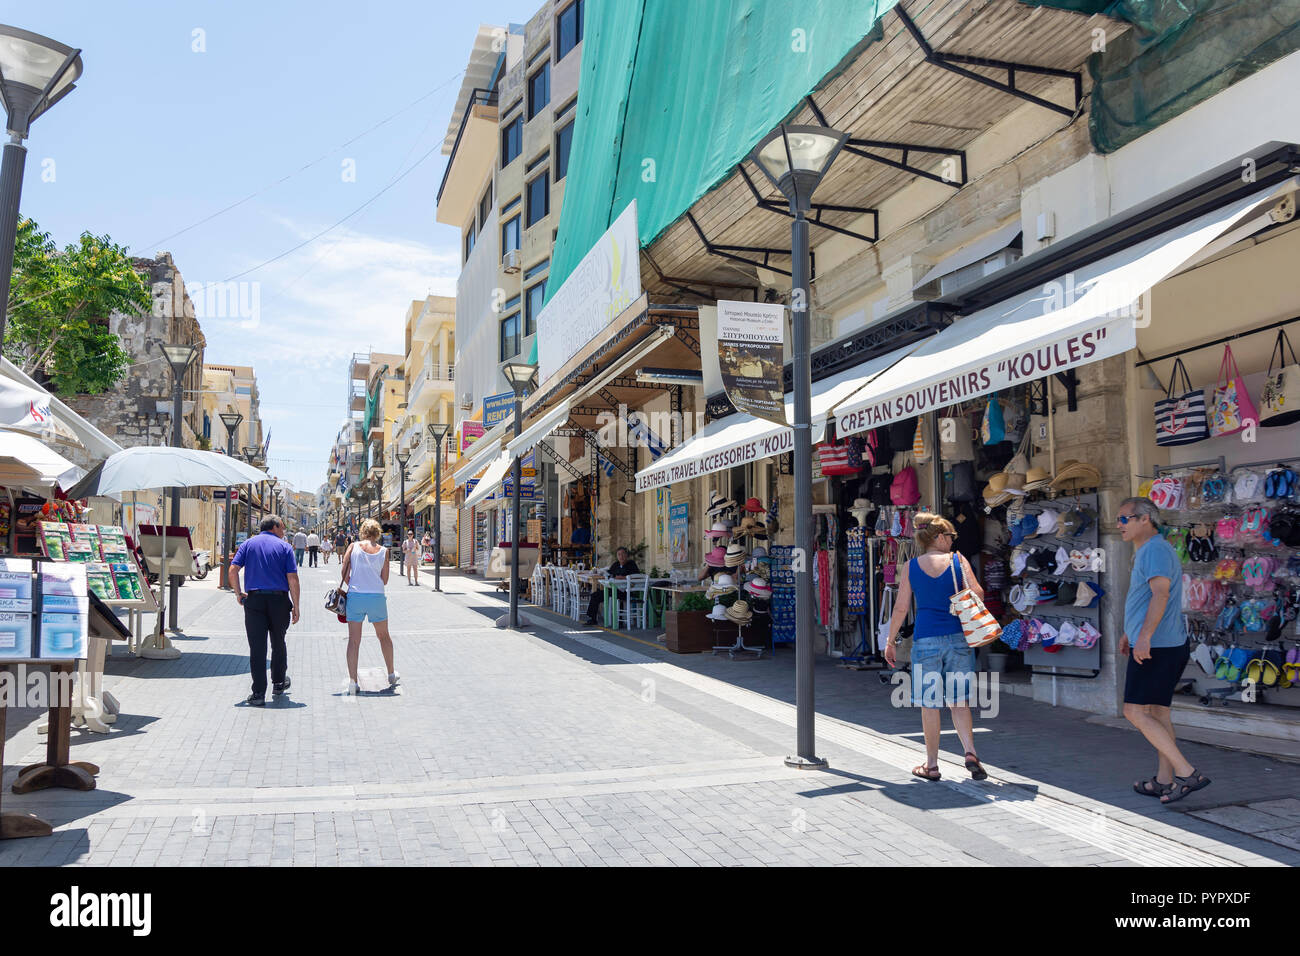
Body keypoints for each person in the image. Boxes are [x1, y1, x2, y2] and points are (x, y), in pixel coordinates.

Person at [1117, 497, 1210, 804]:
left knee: (1133, 711)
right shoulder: (1151, 549)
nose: (1118, 525)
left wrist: (1143, 637)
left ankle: (1187, 773)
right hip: (1162, 644)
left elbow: (1160, 594)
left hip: (1157, 646)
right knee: (1158, 713)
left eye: (1124, 519)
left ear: (1145, 519)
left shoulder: (1154, 549)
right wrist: (1130, 633)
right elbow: (1145, 597)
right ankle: (1164, 780)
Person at [884, 512, 988, 782]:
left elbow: (901, 607)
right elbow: (978, 593)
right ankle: (970, 752)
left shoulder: (911, 567)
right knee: (959, 702)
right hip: (958, 638)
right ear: (940, 537)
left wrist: (890, 641)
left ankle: (931, 765)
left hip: (926, 640)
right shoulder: (958, 560)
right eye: (951, 536)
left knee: (930, 705)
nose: (953, 541)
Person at [228, 515, 300, 706]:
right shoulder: (285, 547)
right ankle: (278, 683)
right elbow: (292, 578)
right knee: (278, 642)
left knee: (257, 647)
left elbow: (233, 570)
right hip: (279, 600)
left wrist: (238, 593)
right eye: (282, 527)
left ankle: (258, 693)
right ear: (275, 526)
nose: (284, 531)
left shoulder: (248, 544)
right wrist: (297, 606)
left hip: (254, 600)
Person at [339, 518, 398, 694]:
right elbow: (385, 580)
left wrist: (353, 584)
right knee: (384, 636)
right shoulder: (384, 551)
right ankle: (391, 674)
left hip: (356, 596)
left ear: (362, 532)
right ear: (378, 533)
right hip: (376, 597)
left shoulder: (353, 547)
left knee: (354, 640)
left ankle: (352, 682)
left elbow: (344, 571)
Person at [583, 547, 639, 625]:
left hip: (627, 591)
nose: (621, 556)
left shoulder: (631, 564)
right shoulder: (616, 564)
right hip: (614, 589)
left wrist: (623, 577)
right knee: (595, 595)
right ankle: (592, 618)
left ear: (626, 555)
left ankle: (619, 621)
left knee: (615, 596)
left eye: (623, 554)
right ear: (617, 556)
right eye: (619, 554)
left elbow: (637, 575)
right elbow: (609, 574)